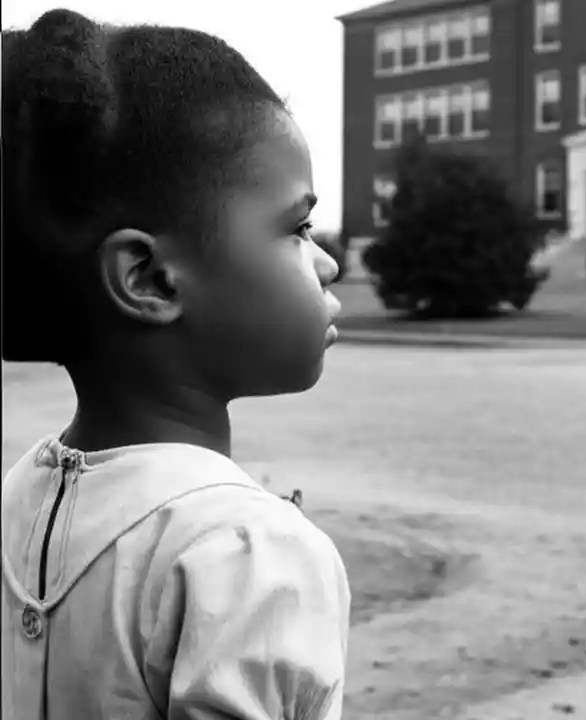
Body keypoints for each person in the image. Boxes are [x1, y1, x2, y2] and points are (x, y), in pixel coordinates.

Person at [1, 8, 350, 719]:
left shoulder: (19, 497)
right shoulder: (248, 553)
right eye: (296, 226)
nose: (328, 262)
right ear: (151, 280)